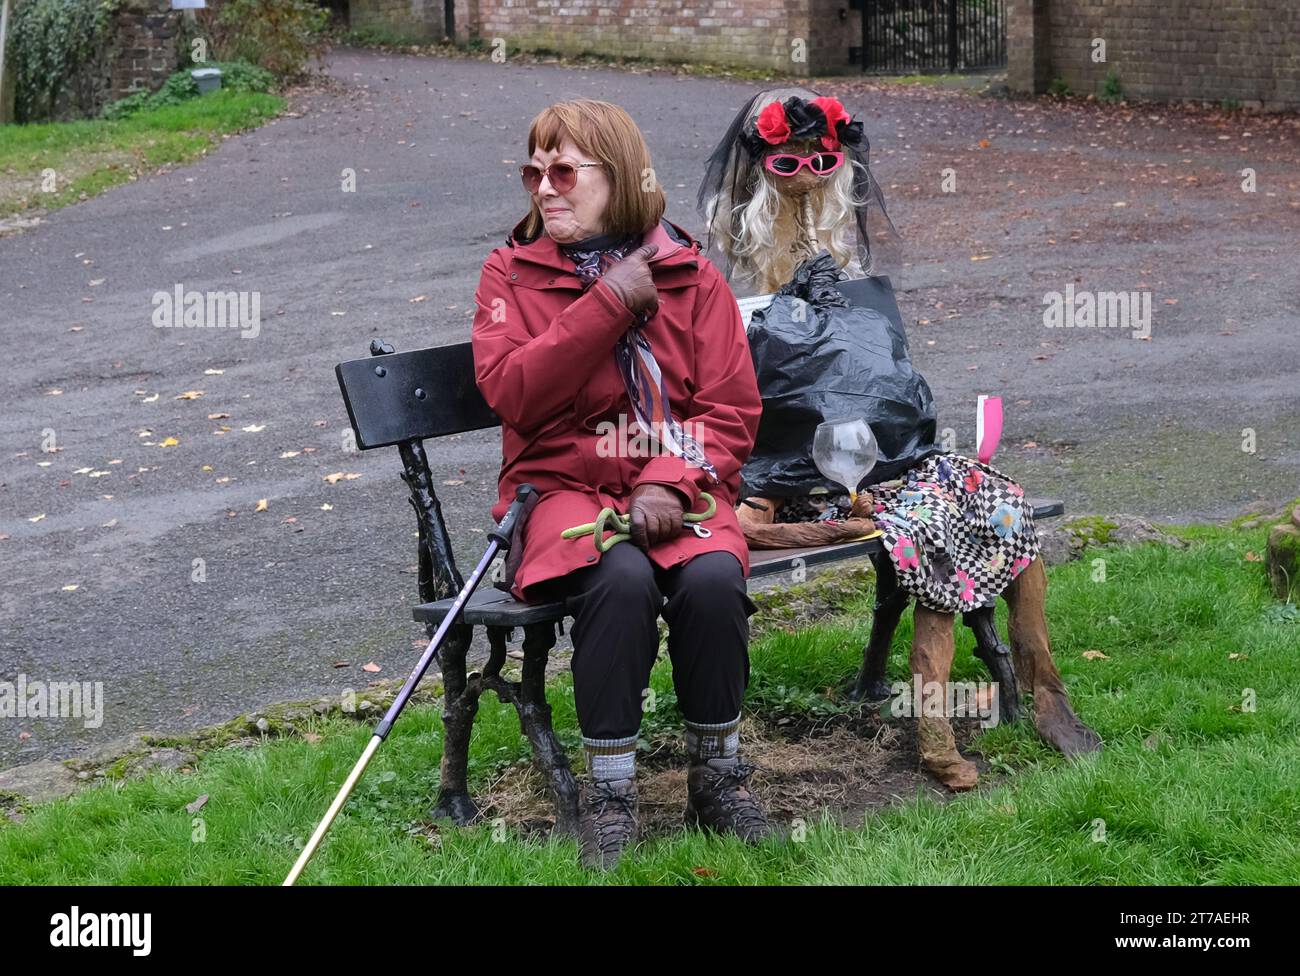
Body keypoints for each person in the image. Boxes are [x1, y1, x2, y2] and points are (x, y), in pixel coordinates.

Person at [698, 87, 1102, 790]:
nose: (810, 178)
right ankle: (936, 733)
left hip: (879, 459)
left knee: (998, 505)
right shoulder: (729, 272)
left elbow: (881, 373)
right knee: (924, 526)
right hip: (782, 474)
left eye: (823, 162)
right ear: (760, 169)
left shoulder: (846, 263)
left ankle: (1045, 689)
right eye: (789, 167)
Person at [471, 98, 776, 870]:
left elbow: (730, 406)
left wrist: (672, 485)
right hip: (560, 493)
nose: (545, 189)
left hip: (678, 486)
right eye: (533, 172)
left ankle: (717, 778)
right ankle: (611, 794)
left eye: (565, 171)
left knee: (710, 577)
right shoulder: (510, 273)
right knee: (619, 573)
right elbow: (513, 392)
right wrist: (608, 304)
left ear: (622, 179)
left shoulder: (690, 275)